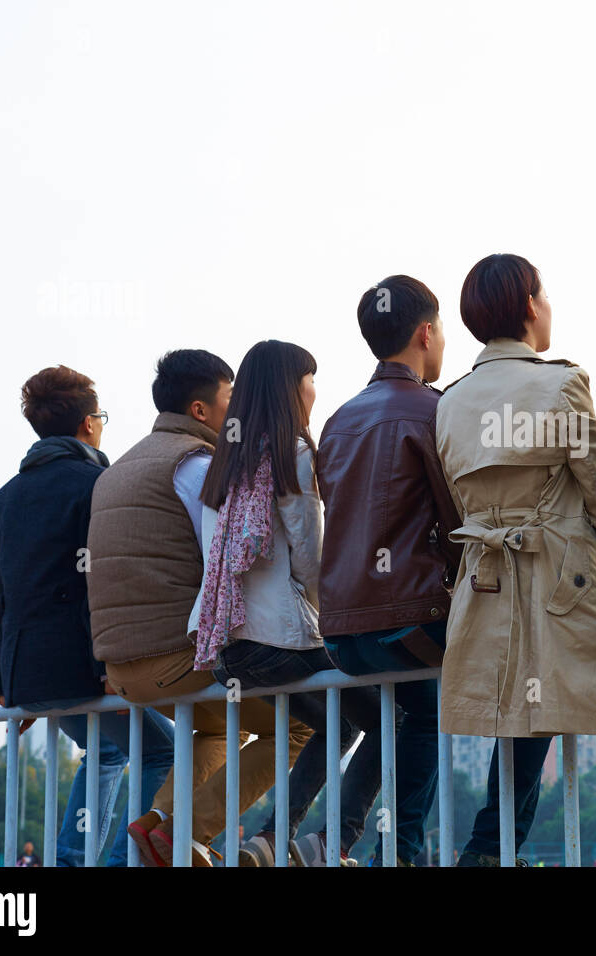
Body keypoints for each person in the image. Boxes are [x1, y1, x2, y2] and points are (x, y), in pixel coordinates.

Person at [435, 253, 596, 866]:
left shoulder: (450, 402)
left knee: (519, 715)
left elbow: (459, 497)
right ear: (530, 305)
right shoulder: (561, 384)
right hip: (569, 575)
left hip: (488, 583)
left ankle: (487, 851)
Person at [89, 348, 308, 867]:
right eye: (231, 397)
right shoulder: (196, 467)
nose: (240, 407)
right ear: (201, 410)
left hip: (120, 669)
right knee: (300, 723)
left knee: (215, 728)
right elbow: (226, 560)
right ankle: (194, 830)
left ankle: (157, 822)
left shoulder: (117, 469)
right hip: (174, 660)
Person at [193, 339, 377, 868]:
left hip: (229, 643)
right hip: (277, 638)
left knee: (339, 725)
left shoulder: (223, 461)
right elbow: (311, 559)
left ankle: (274, 840)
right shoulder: (292, 453)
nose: (314, 390)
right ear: (291, 389)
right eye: (310, 379)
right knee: (397, 718)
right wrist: (333, 620)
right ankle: (332, 841)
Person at [0, 365, 174, 867]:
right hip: (82, 670)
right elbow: (98, 583)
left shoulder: (4, 498)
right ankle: (123, 862)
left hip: (28, 675)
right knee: (166, 753)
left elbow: (2, 595)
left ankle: (70, 860)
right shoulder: (98, 484)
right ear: (89, 424)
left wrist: (4, 680)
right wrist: (105, 668)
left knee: (108, 750)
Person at [313, 275, 461, 867]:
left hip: (340, 634)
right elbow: (457, 526)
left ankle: (333, 838)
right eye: (441, 329)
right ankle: (400, 854)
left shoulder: (338, 419)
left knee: (399, 716)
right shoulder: (435, 411)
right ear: (425, 333)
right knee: (433, 713)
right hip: (408, 626)